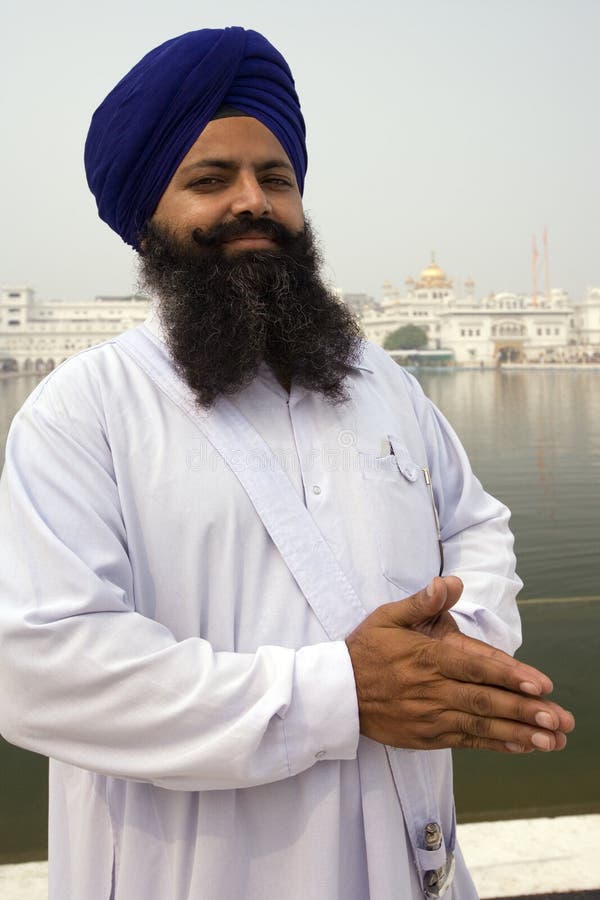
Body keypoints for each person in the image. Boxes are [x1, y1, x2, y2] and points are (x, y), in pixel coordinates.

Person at [0, 27, 574, 900]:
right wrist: (338, 693)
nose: (252, 202)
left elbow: (475, 525)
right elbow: (42, 667)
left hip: (411, 859)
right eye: (210, 180)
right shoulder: (84, 410)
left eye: (275, 178)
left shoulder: (377, 381)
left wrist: (462, 645)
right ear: (148, 213)